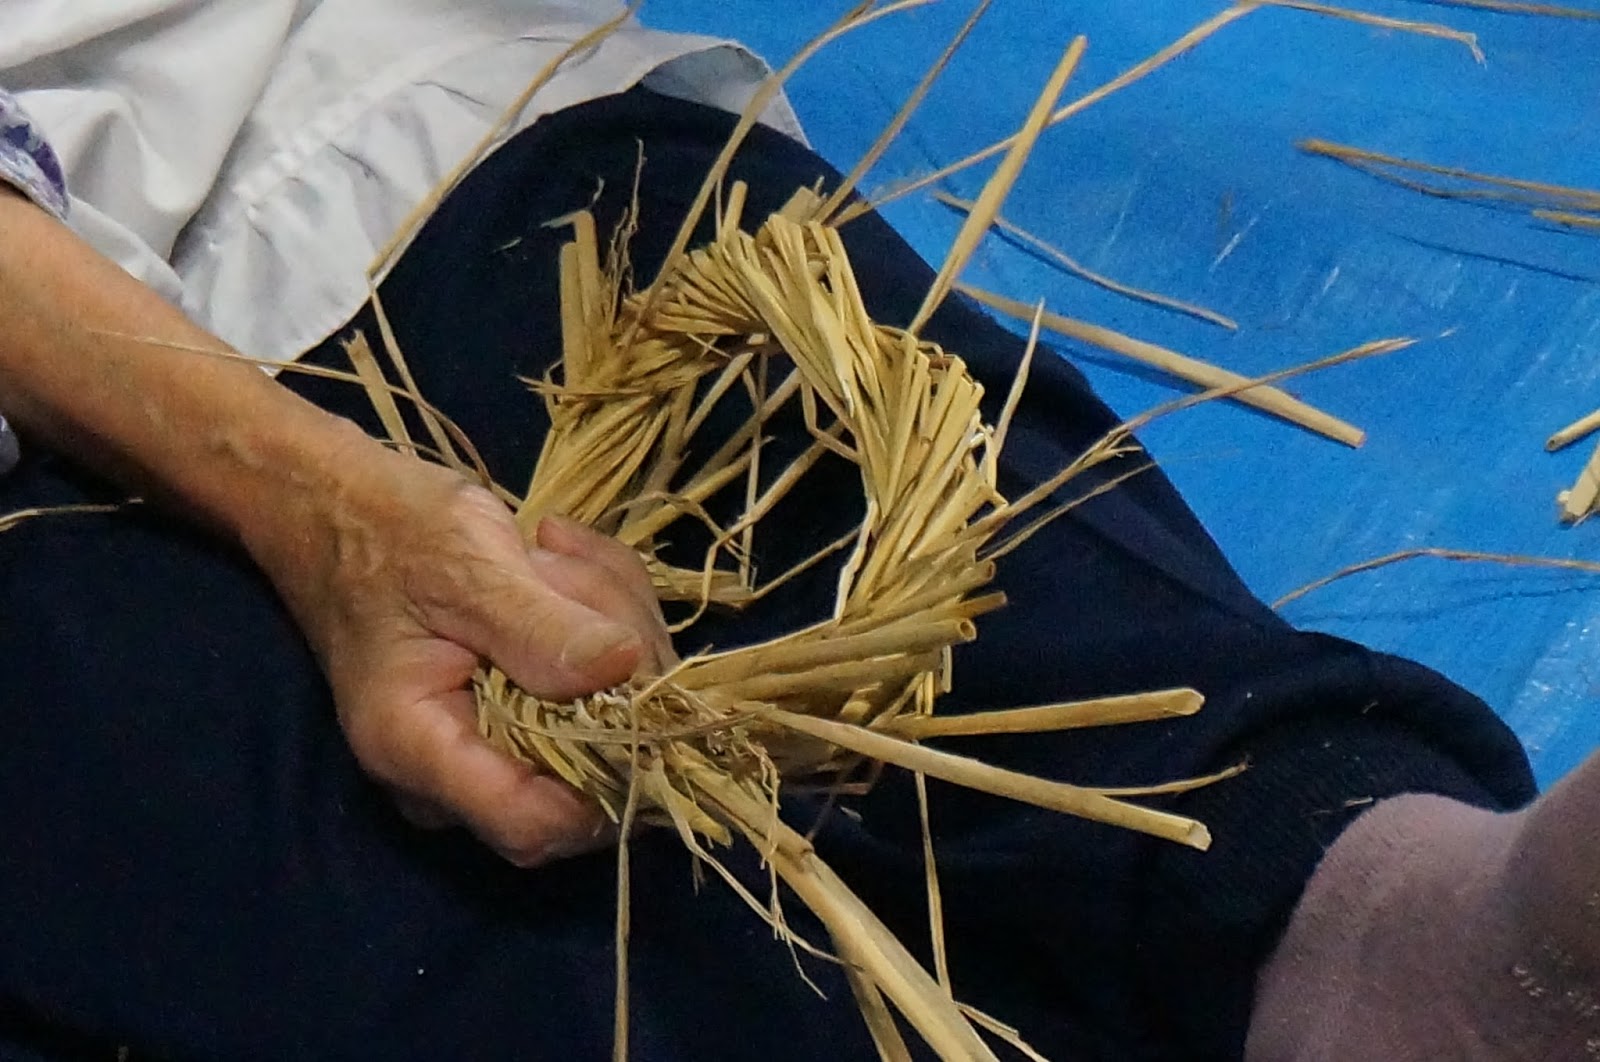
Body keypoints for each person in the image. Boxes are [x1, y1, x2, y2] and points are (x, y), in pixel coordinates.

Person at [0, 3, 1594, 1059]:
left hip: (348, 110)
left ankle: (1410, 949)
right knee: (402, 906)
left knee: (878, 477)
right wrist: (326, 507)